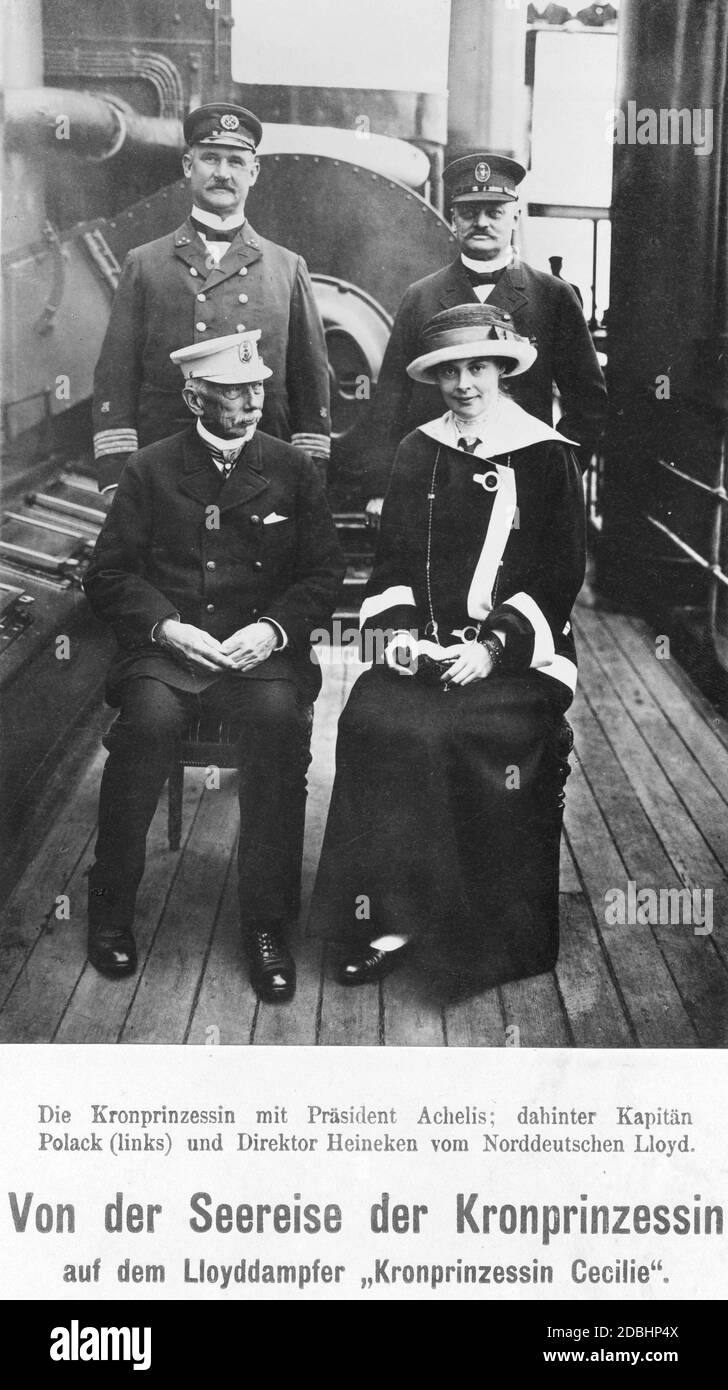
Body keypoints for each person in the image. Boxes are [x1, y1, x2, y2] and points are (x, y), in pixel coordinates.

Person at [309, 303, 585, 993]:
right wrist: (398, 638)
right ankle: (387, 922)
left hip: (517, 658)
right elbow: (392, 563)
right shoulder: (417, 450)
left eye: (477, 369)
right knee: (375, 719)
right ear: (435, 379)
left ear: (502, 372)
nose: (464, 383)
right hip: (427, 649)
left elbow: (560, 576)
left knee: (466, 733)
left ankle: (482, 931)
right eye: (450, 372)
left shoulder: (545, 455)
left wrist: (493, 650)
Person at [83, 331, 344, 1002]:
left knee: (279, 726)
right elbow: (109, 573)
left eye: (256, 388)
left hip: (260, 654)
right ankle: (110, 910)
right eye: (232, 391)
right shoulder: (150, 468)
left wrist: (274, 627)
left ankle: (265, 924)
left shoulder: (292, 468)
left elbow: (325, 573)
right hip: (167, 651)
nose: (250, 402)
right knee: (144, 723)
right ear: (194, 394)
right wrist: (167, 626)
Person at [92, 102, 331, 494]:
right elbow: (116, 378)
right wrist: (118, 479)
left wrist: (309, 475)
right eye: (210, 159)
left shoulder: (288, 268)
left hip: (261, 467)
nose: (222, 173)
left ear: (253, 173)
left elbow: (311, 381)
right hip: (165, 471)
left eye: (236, 162)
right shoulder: (144, 264)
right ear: (188, 166)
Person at [359, 153, 606, 525]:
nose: (482, 223)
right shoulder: (420, 296)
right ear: (454, 219)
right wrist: (380, 487)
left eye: (494, 212)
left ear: (515, 217)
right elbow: (391, 397)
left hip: (522, 485)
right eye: (470, 212)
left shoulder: (552, 296)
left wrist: (557, 473)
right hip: (436, 482)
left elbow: (588, 402)